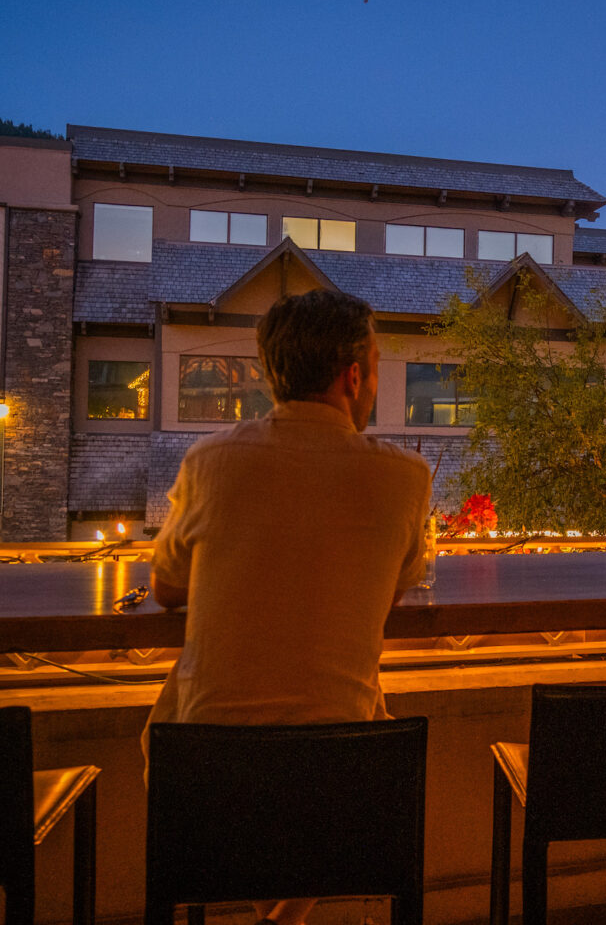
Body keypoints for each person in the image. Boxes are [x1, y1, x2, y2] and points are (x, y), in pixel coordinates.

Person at [144, 289, 431, 925]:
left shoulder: (211, 461)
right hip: (344, 780)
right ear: (354, 376)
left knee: (192, 718)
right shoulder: (405, 477)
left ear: (272, 374)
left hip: (206, 783)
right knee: (355, 716)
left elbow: (166, 586)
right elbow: (393, 589)